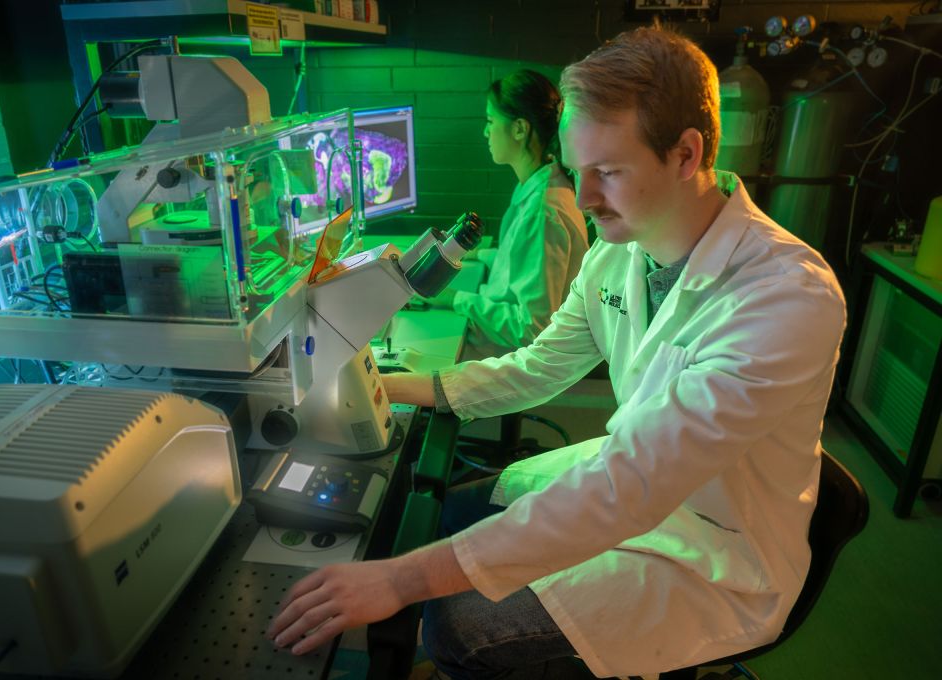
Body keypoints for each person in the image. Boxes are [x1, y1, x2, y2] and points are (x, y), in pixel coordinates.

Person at [268, 26, 846, 679]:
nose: (585, 196)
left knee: (457, 624)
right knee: (447, 513)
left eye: (609, 172)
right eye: (577, 169)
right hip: (632, 480)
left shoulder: (785, 298)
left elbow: (635, 484)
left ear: (685, 154)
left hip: (715, 552)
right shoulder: (618, 252)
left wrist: (400, 582)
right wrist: (383, 385)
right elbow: (539, 367)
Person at [427, 69, 589, 359]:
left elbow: (532, 327)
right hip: (504, 340)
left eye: (491, 121)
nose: (485, 132)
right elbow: (521, 265)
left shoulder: (543, 212)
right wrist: (479, 254)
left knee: (423, 349)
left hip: (515, 355)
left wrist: (454, 299)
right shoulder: (541, 181)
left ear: (519, 129)